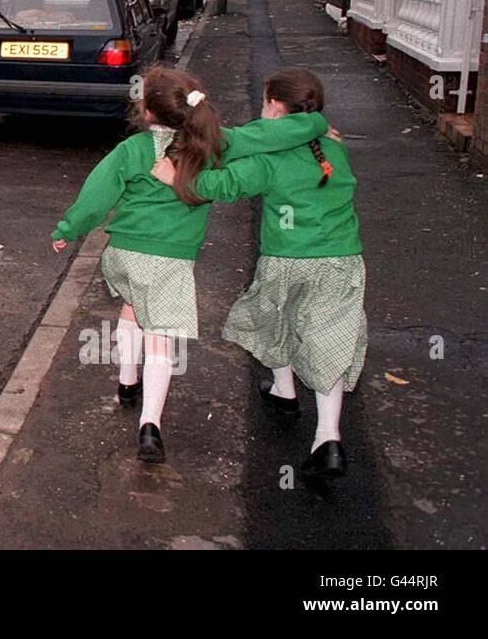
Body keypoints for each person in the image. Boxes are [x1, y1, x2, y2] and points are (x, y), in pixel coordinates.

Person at [51, 66, 329, 463]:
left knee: (132, 308)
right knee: (160, 335)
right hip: (168, 259)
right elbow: (271, 134)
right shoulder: (213, 147)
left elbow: (96, 195)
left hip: (124, 254)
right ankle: (150, 425)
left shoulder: (131, 150)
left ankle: (127, 383)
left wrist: (68, 228)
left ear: (147, 113)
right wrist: (315, 121)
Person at [152, 67, 363, 480]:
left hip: (285, 260)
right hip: (341, 261)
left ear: (274, 106)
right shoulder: (334, 148)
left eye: (265, 101)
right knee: (330, 341)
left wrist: (175, 177)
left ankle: (285, 392)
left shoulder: (269, 158)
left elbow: (224, 184)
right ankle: (328, 436)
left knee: (274, 323)